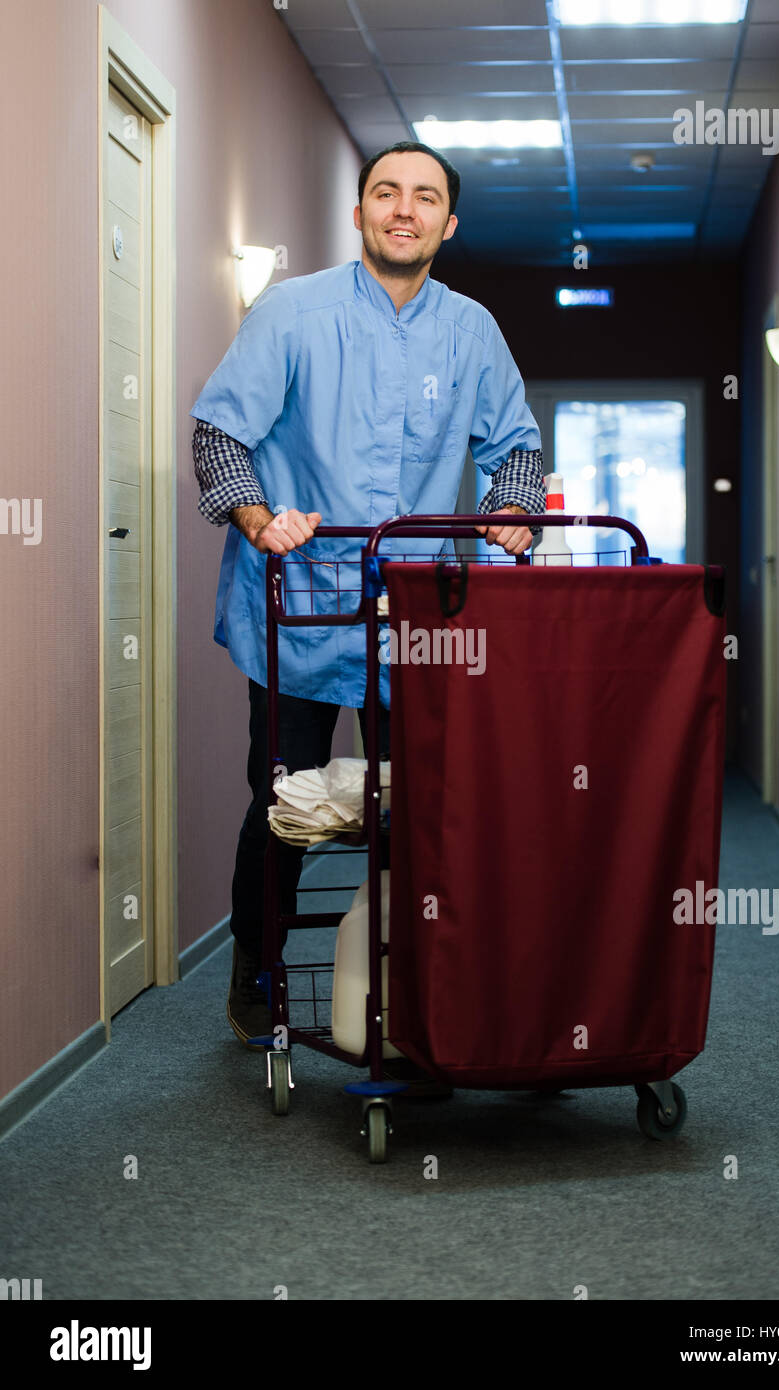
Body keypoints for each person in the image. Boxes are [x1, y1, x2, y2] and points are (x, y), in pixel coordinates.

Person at [190, 141, 545, 1094]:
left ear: (447, 223)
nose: (403, 209)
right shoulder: (292, 312)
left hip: (415, 618)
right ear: (358, 213)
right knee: (286, 805)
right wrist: (260, 517)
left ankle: (414, 976)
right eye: (385, 192)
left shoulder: (472, 332)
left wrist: (513, 511)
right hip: (297, 607)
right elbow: (219, 432)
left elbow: (515, 447)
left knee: (426, 804)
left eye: (424, 197)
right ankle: (258, 976)